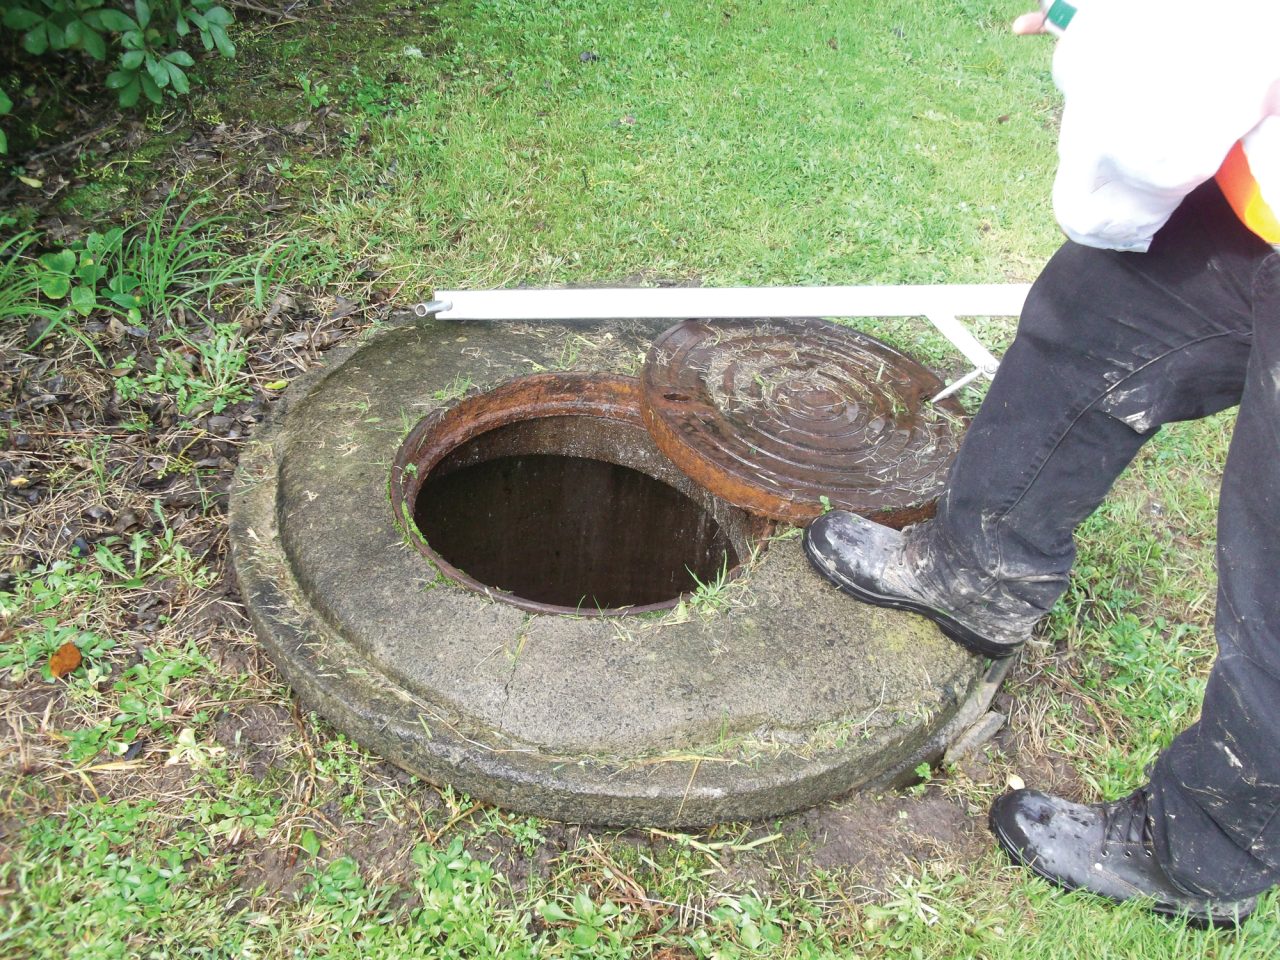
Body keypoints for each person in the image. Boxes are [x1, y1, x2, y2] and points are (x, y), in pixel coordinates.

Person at [804, 0, 1280, 927]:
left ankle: (1210, 851)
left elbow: (1157, 119)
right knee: (1094, 323)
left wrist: (1107, 41)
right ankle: (980, 569)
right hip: (1258, 203)